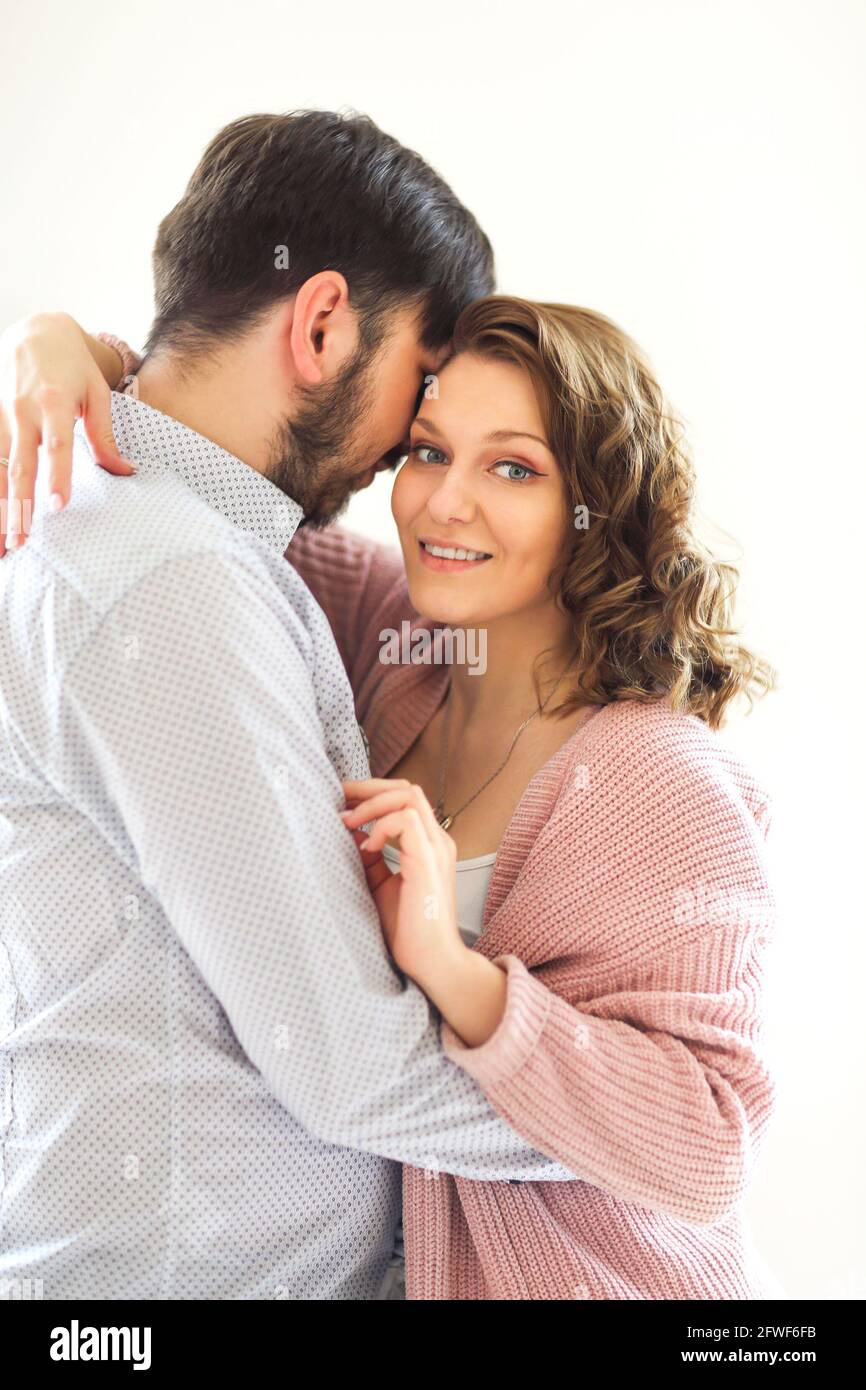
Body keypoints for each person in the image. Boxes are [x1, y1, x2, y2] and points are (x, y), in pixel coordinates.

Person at [2, 284, 781, 1299]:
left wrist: (455, 974)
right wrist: (65, 349)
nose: (444, 502)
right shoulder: (387, 635)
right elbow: (209, 475)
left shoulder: (663, 784)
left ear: (594, 506)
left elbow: (709, 1141)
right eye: (425, 450)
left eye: (512, 466)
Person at [0, 110, 586, 1304]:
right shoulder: (172, 581)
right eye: (419, 384)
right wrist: (640, 1128)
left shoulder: (170, 538)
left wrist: (73, 345)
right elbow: (347, 1063)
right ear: (321, 323)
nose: (405, 448)